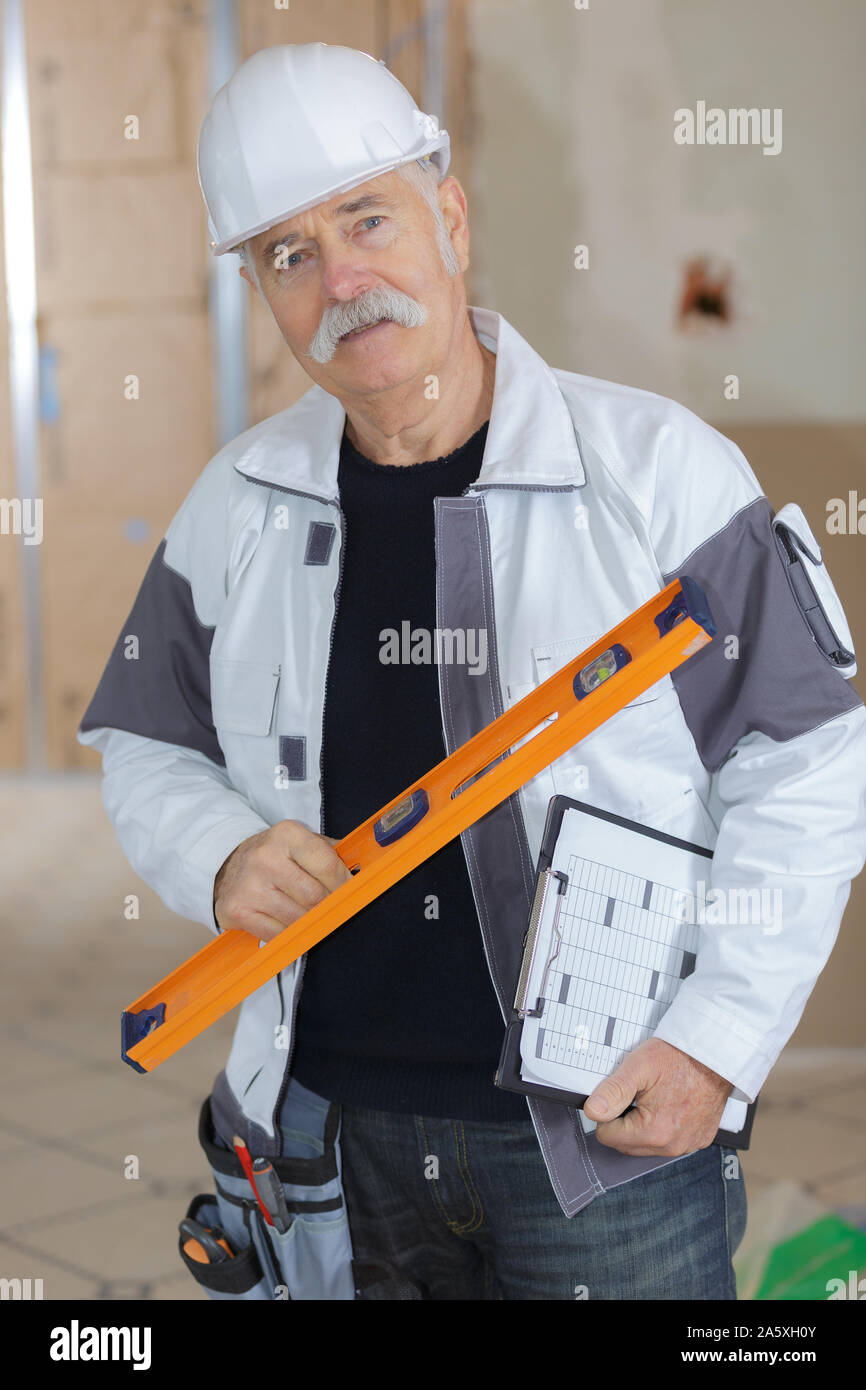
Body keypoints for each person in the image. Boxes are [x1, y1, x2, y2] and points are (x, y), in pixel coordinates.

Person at [78, 43, 866, 1300]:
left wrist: (714, 1042)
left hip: (603, 1138)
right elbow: (141, 739)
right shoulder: (233, 507)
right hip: (331, 1129)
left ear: (448, 216)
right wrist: (220, 853)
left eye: (368, 218)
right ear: (260, 290)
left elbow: (810, 765)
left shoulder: (661, 475)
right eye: (288, 252)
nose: (342, 278)